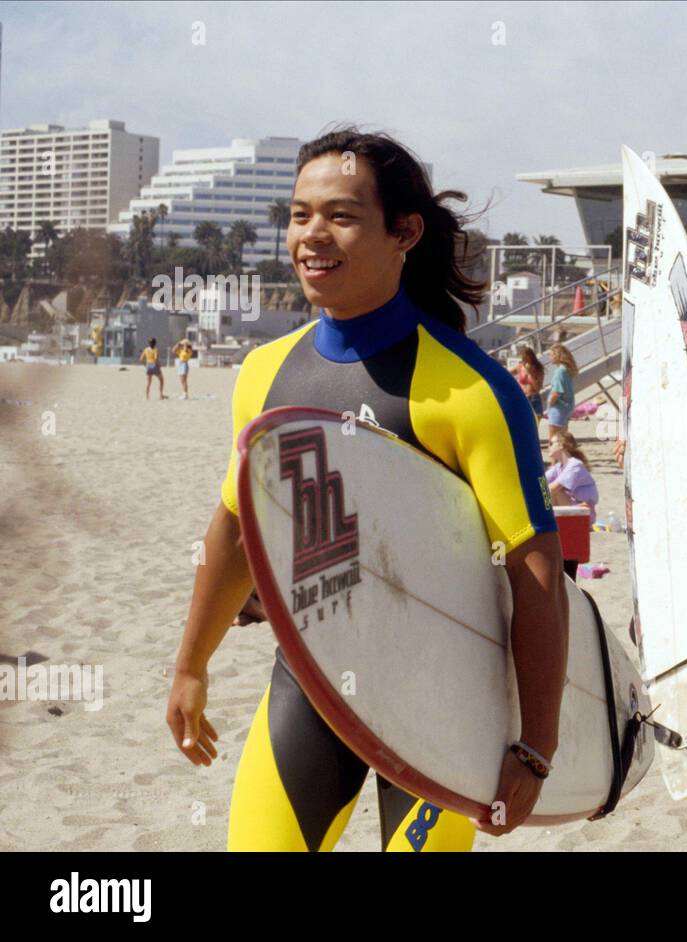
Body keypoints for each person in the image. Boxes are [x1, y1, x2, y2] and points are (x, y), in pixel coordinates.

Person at [164, 128, 568, 853]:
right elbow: (233, 526)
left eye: (341, 215)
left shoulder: (470, 389)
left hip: (443, 704)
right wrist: (192, 665)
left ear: (403, 232)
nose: (312, 234)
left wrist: (535, 743)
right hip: (309, 685)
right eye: (299, 214)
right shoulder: (264, 372)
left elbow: (536, 566)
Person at [545, 430, 598, 520]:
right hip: (574, 507)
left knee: (555, 493)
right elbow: (541, 481)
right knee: (546, 493)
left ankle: (548, 521)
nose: (548, 447)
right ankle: (549, 521)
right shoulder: (559, 466)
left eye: (551, 444)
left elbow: (552, 489)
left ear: (561, 445)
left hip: (584, 514)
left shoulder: (575, 465)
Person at [546, 343, 577, 432]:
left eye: (551, 355)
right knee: (562, 439)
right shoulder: (566, 369)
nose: (550, 358)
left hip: (558, 408)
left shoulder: (559, 371)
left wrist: (549, 404)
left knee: (553, 441)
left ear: (557, 356)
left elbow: (556, 392)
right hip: (566, 408)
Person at [515, 346, 545, 421]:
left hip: (534, 398)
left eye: (525, 356)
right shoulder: (520, 367)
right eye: (522, 356)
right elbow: (506, 373)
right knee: (523, 423)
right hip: (523, 398)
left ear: (531, 356)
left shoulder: (538, 368)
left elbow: (538, 388)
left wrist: (530, 374)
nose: (524, 358)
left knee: (535, 425)